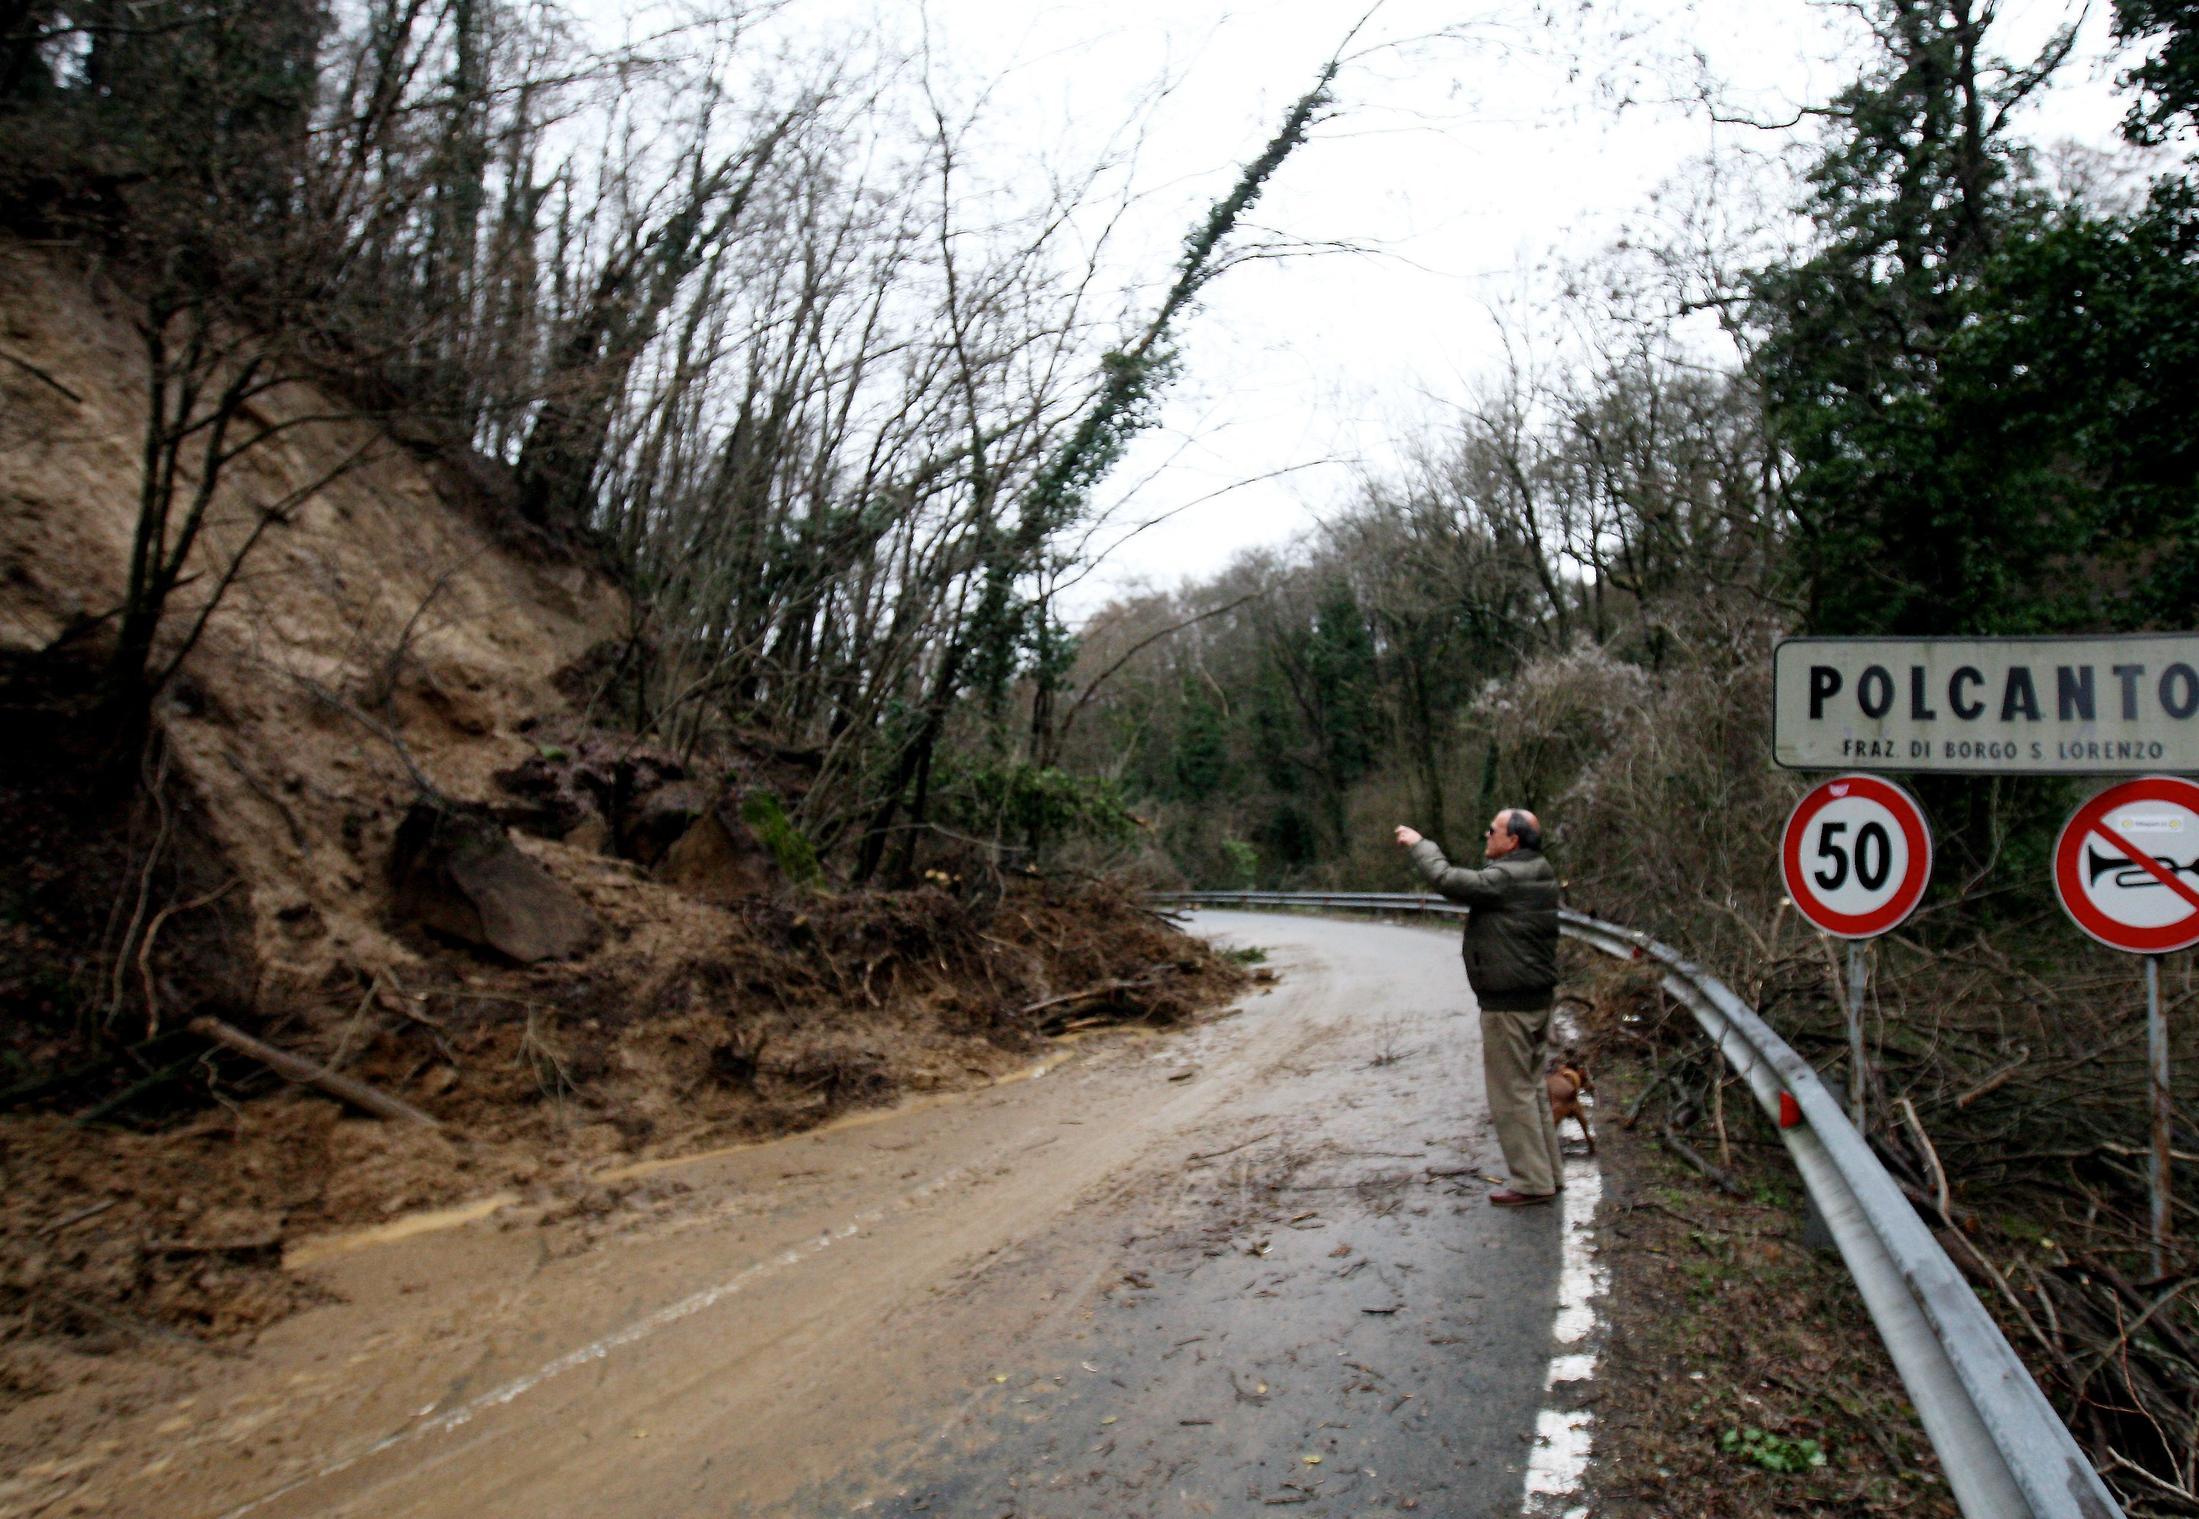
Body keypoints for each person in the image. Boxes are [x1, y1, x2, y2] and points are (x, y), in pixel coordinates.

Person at [1394, 810, 1563, 1207]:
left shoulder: (1508, 877)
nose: (1485, 835)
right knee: (1532, 1089)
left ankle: (1532, 1183)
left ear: (1513, 841)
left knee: (1511, 1095)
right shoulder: (1538, 869)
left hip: (1510, 1005)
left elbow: (1448, 880)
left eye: (1493, 831)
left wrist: (1422, 846)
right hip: (1535, 999)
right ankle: (1548, 1174)